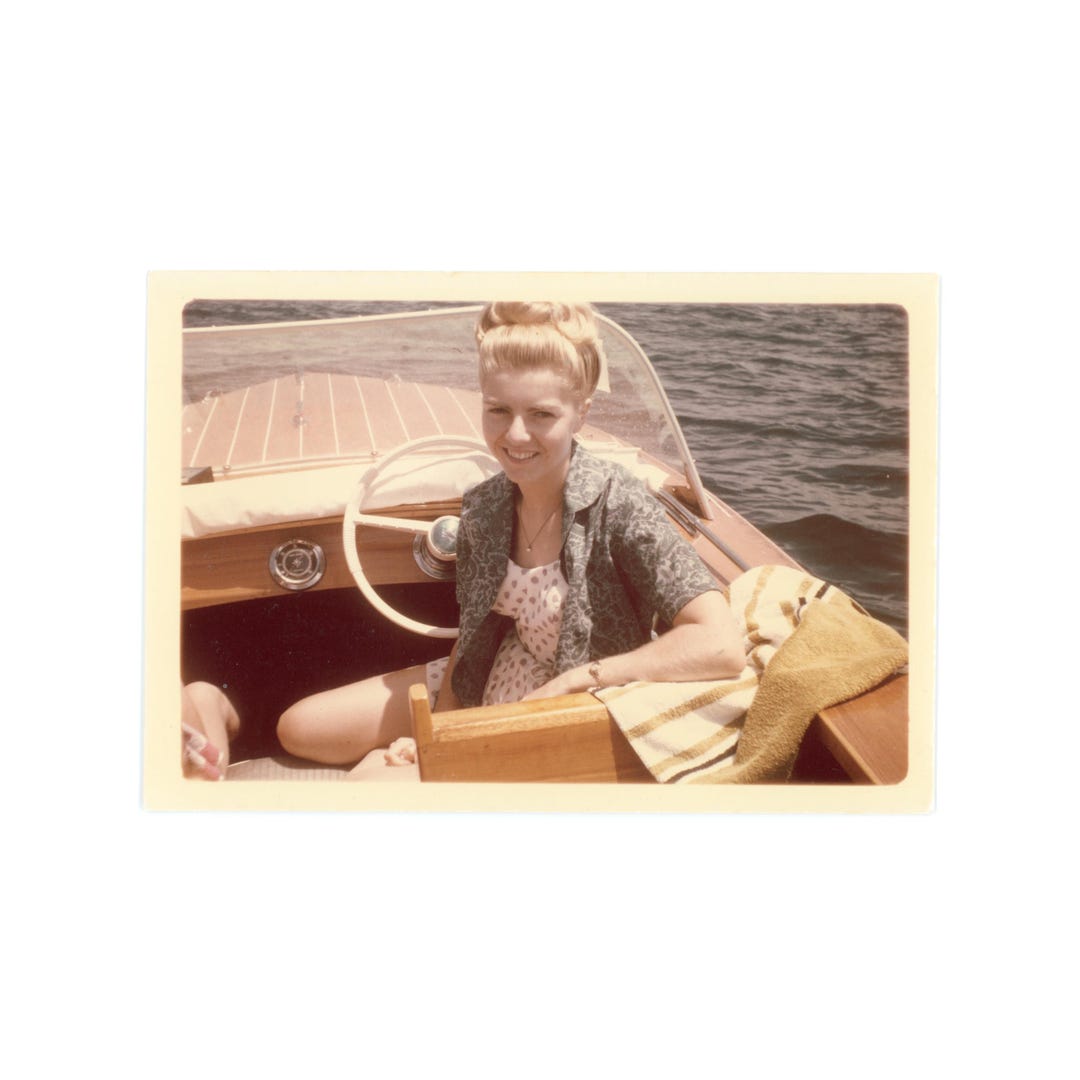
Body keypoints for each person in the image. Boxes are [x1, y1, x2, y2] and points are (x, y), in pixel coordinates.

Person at [276, 302, 745, 772]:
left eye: (541, 414)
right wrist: (438, 733)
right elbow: (478, 633)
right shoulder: (484, 506)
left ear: (581, 414)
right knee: (299, 726)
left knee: (382, 789)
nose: (516, 435)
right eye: (498, 409)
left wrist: (582, 679)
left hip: (580, 705)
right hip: (497, 672)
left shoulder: (621, 504)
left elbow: (721, 645)